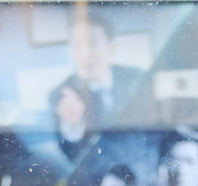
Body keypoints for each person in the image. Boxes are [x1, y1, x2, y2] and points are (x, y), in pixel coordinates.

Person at [50, 8, 149, 158]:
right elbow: (70, 156)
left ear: (111, 48)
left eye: (93, 44)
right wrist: (72, 126)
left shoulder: (138, 78)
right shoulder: (60, 95)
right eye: (77, 46)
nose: (85, 54)